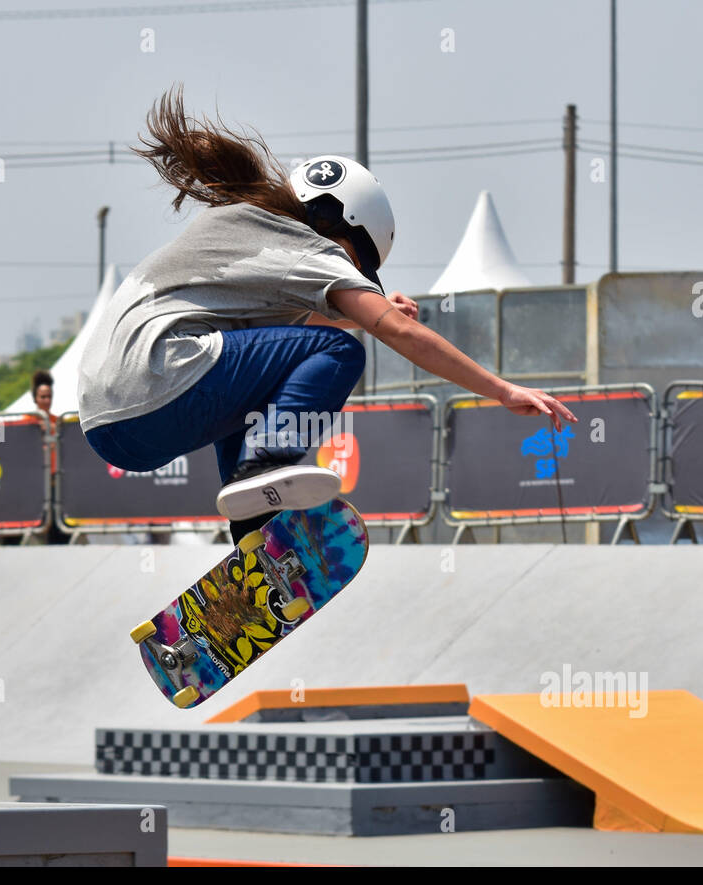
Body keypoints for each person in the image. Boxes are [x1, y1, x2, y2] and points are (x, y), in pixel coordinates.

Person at [77, 86, 576, 544]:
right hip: (158, 378)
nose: (345, 281)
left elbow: (271, 344)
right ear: (341, 226)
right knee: (341, 351)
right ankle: (263, 468)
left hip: (110, 426)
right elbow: (397, 332)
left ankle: (253, 535)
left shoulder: (245, 225)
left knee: (264, 385)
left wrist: (358, 314)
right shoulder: (305, 243)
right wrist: (503, 390)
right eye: (354, 266)